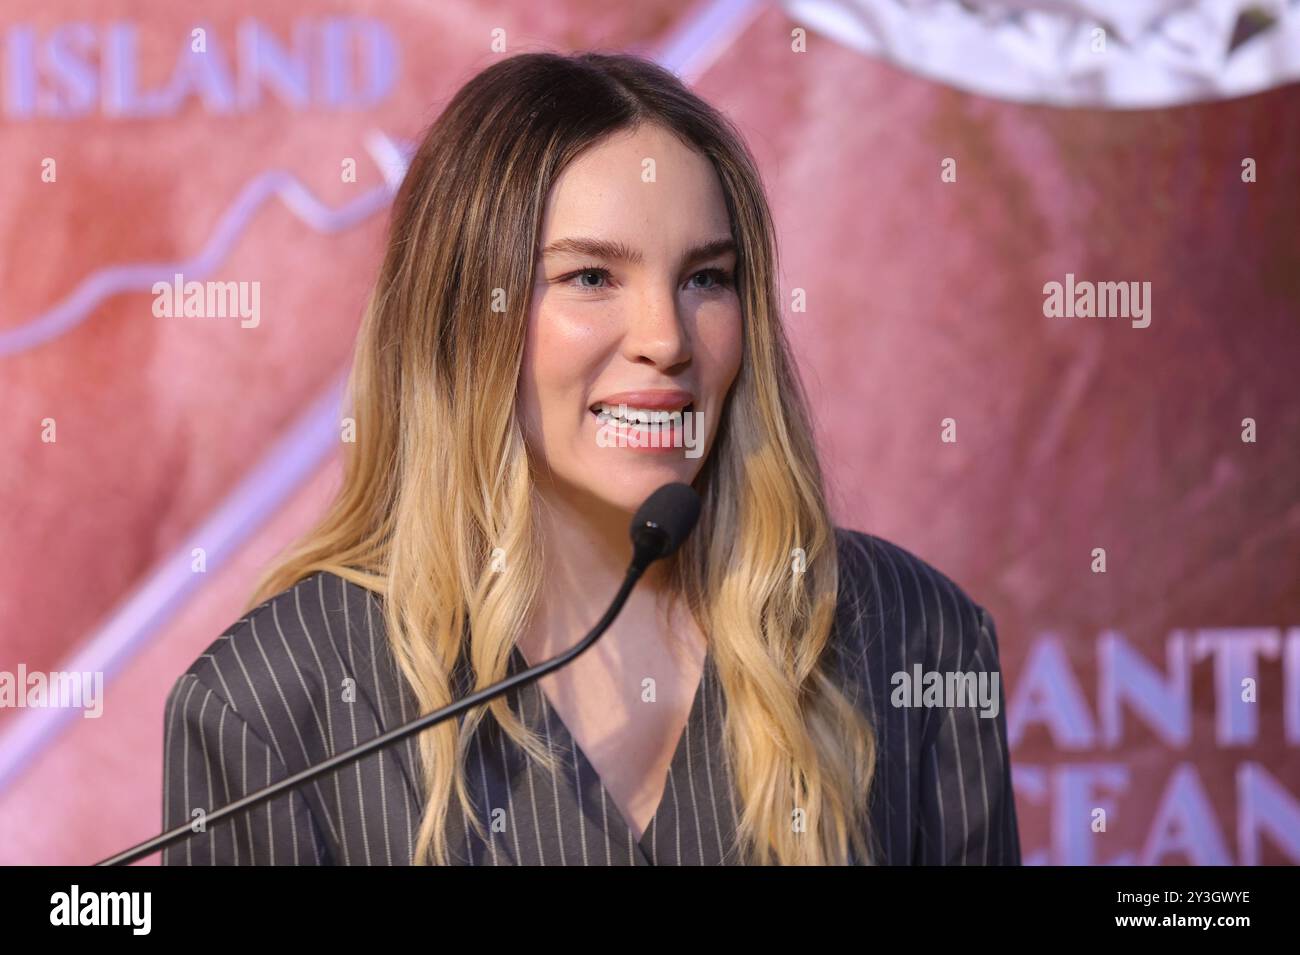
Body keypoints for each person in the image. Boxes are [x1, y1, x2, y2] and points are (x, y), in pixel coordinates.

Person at [161, 50, 1020, 866]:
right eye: (590, 278)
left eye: (705, 278)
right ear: (459, 319)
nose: (665, 339)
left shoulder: (917, 638)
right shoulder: (273, 701)